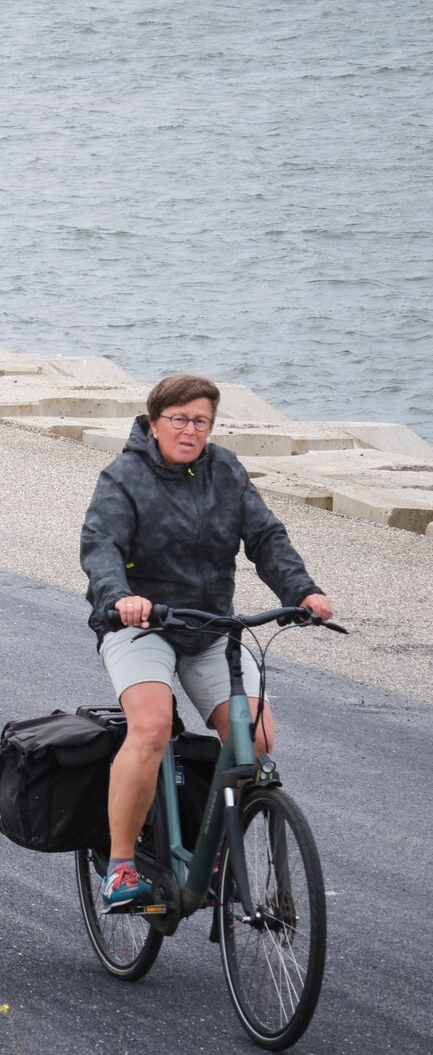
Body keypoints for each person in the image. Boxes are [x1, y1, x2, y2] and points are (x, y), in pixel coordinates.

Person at [81, 373, 334, 913]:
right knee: (151, 727)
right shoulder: (123, 477)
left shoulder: (226, 471)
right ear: (154, 424)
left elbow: (265, 537)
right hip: (141, 625)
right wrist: (120, 597)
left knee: (256, 739)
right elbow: (101, 545)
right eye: (179, 419)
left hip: (210, 625)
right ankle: (121, 866)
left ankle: (214, 854)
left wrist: (302, 591)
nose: (190, 430)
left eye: (202, 421)